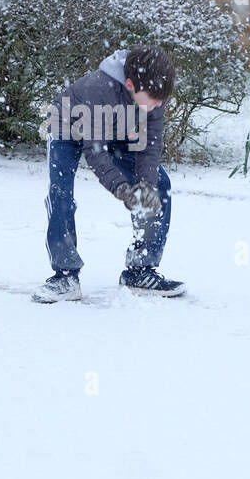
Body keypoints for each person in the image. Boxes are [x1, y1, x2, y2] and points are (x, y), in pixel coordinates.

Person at [32, 46, 185, 302]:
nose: (159, 105)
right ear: (129, 84)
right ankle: (65, 275)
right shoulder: (99, 89)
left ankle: (139, 269)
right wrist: (122, 189)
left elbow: (150, 144)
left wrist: (145, 185)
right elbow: (96, 152)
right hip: (67, 125)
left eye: (162, 99)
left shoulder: (154, 88)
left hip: (113, 129)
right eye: (155, 99)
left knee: (159, 183)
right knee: (61, 193)